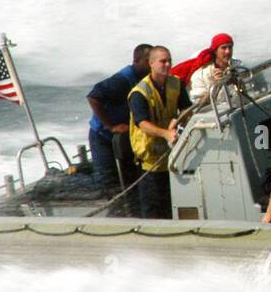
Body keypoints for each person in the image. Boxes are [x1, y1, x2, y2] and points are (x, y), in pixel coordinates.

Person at [127, 46, 192, 219]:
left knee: (173, 207)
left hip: (173, 157)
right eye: (163, 61)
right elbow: (142, 123)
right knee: (154, 212)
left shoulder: (176, 83)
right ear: (151, 63)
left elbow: (187, 109)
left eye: (169, 60)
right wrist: (165, 133)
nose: (168, 64)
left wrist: (179, 119)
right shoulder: (139, 93)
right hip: (150, 163)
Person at [86, 44, 152, 195]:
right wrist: (110, 126)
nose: (152, 64)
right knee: (108, 182)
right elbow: (93, 97)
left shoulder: (147, 78)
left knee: (129, 179)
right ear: (137, 60)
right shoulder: (121, 80)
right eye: (149, 61)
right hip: (103, 136)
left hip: (126, 136)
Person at [174, 33, 244, 109]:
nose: (228, 51)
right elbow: (199, 106)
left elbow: (249, 94)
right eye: (223, 48)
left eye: (230, 47)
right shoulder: (200, 75)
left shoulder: (238, 67)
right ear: (215, 51)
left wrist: (238, 83)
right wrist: (215, 85)